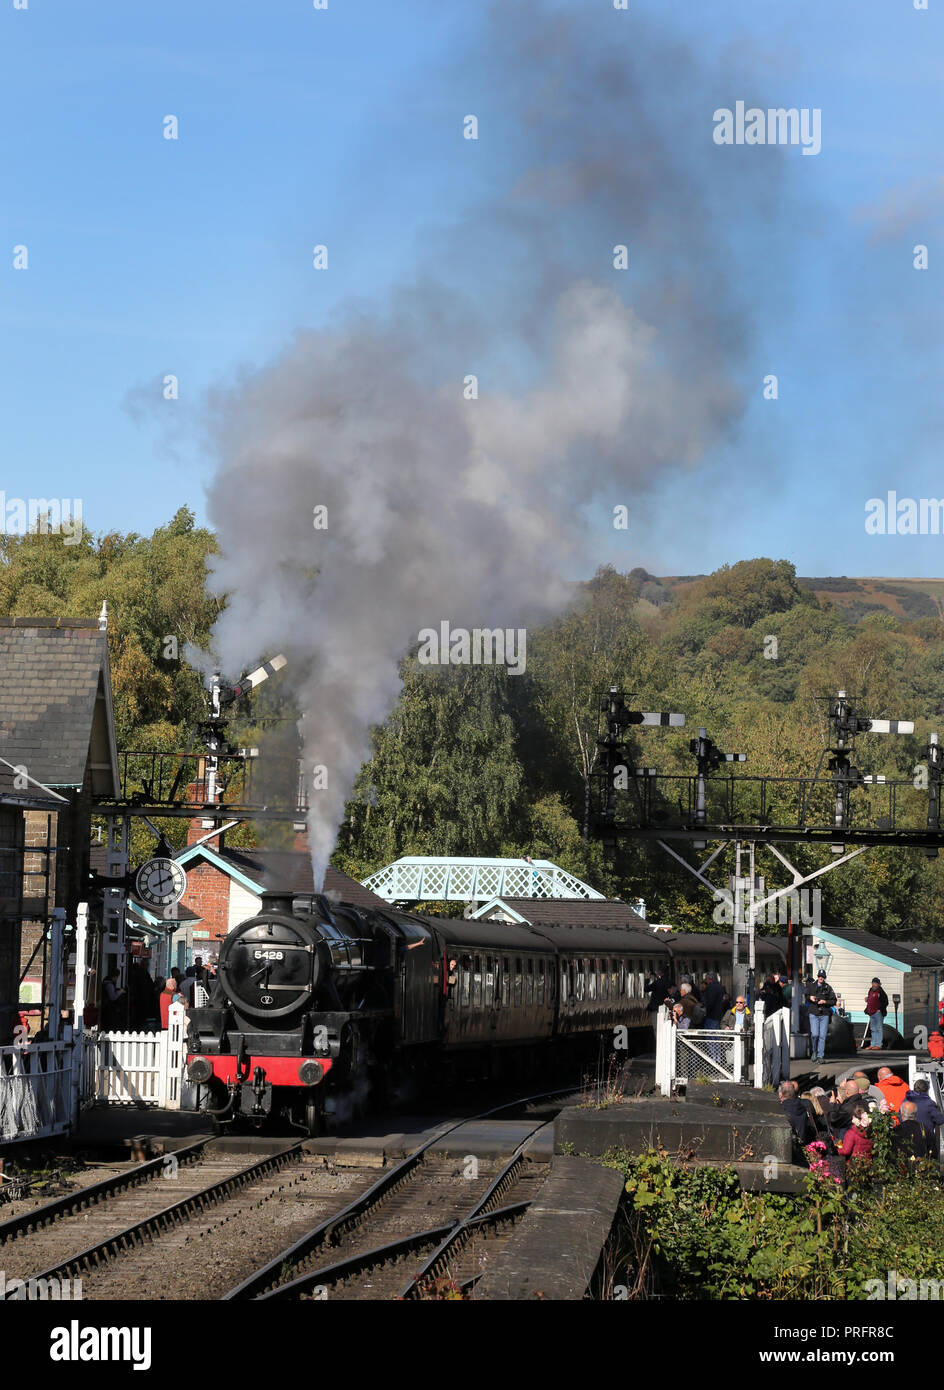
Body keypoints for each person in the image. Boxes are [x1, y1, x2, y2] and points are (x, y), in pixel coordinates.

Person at [805, 970, 836, 1063]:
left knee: (822, 1036)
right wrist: (810, 997)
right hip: (813, 1013)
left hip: (824, 1014)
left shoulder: (828, 987)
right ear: (817, 976)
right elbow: (806, 995)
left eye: (822, 976)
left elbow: (833, 1000)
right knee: (815, 1034)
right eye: (819, 976)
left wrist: (825, 1001)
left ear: (824, 977)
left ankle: (820, 1056)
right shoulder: (811, 986)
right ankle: (814, 1051)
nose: (821, 978)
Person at [905, 1077, 944, 1144]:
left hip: (908, 1137)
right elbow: (940, 1120)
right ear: (926, 1090)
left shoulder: (905, 1101)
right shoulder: (929, 1104)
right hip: (925, 1139)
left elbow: (899, 1117)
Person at [779, 1080, 815, 1144]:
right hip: (803, 1143)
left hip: (788, 1144)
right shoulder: (804, 1106)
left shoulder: (780, 1109)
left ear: (780, 1094)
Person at [863, 977, 888, 1051]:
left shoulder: (881, 992)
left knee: (878, 1028)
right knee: (873, 1029)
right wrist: (867, 999)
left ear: (878, 984)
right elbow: (871, 999)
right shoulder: (870, 990)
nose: (874, 985)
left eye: (875, 983)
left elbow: (885, 1002)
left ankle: (878, 1044)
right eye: (873, 983)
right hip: (871, 1012)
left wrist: (880, 1009)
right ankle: (872, 1044)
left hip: (878, 1013)